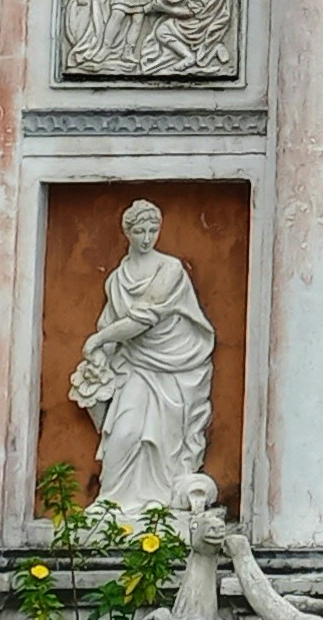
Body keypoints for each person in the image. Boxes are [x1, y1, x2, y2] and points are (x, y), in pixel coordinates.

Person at [68, 199, 216, 516]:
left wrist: (98, 341)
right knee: (124, 430)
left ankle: (158, 500)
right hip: (134, 363)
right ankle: (111, 499)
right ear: (127, 232)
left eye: (153, 230)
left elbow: (142, 318)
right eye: (139, 231)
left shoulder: (170, 269)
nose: (147, 237)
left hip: (175, 363)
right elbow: (110, 323)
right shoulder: (117, 280)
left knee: (165, 438)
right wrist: (100, 359)